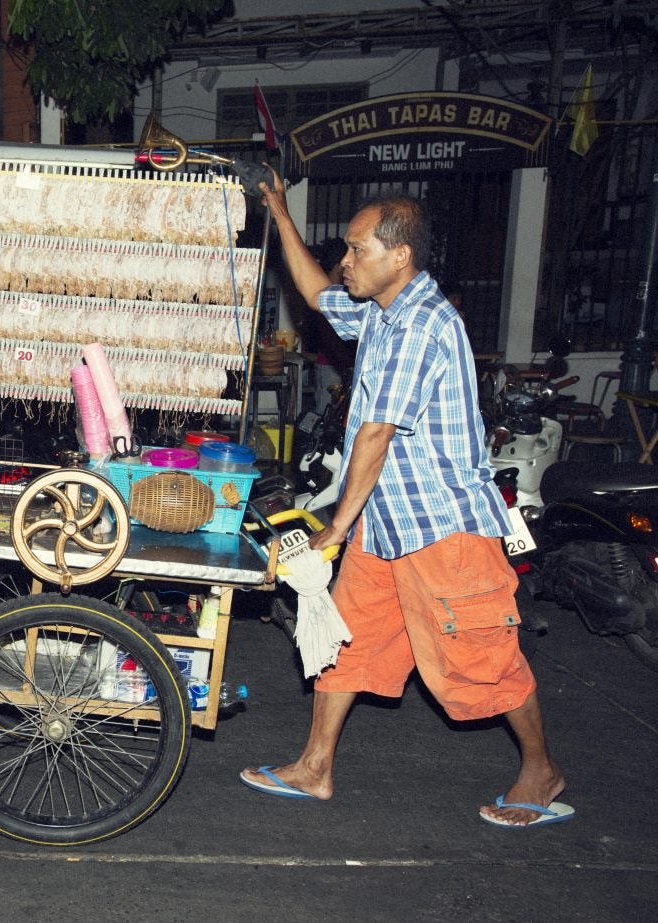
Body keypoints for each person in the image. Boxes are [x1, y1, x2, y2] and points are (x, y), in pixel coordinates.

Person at [240, 171, 572, 829]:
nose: (345, 261)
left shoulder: (422, 323)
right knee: (348, 642)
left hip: (443, 530)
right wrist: (278, 211)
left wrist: (334, 529)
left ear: (401, 256)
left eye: (358, 249)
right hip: (390, 523)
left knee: (479, 660)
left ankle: (541, 768)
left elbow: (376, 431)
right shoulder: (384, 311)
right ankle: (314, 766)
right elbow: (317, 294)